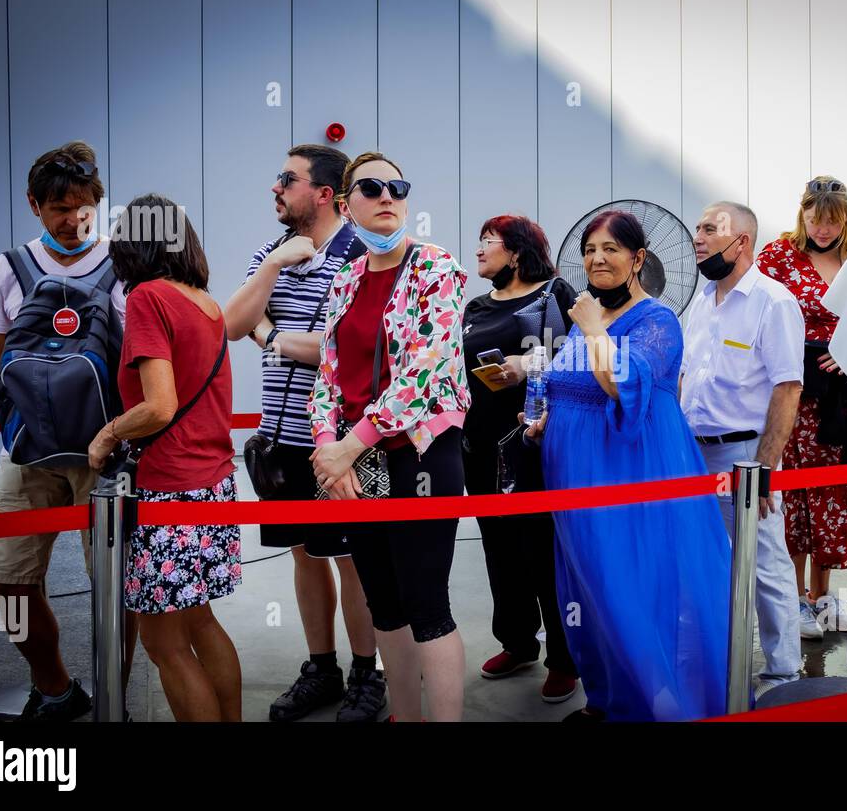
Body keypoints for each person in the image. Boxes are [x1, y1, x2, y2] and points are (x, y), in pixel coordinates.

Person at [525, 209, 731, 722]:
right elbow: (574, 384)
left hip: (628, 472)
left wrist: (592, 327)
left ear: (638, 259)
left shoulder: (655, 320)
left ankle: (649, 706)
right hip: (572, 474)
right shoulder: (588, 318)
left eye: (611, 249)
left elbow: (620, 384)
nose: (597, 259)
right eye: (590, 250)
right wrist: (548, 414)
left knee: (628, 587)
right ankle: (606, 699)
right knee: (587, 587)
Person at [223, 144, 384, 722]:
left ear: (322, 192)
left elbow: (350, 353)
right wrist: (272, 269)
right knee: (304, 553)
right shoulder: (272, 251)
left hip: (338, 441)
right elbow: (232, 321)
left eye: (286, 179)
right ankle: (323, 666)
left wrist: (275, 339)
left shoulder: (360, 255)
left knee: (352, 558)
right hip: (278, 438)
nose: (275, 188)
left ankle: (370, 673)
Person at [309, 152, 470, 722]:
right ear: (345, 201)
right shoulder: (348, 278)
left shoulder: (436, 267)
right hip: (354, 462)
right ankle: (404, 713)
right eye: (371, 187)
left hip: (419, 455)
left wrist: (349, 443)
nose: (387, 196)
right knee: (384, 607)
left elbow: (426, 372)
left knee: (427, 606)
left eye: (397, 186)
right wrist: (331, 451)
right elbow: (328, 373)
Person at [0, 141, 136, 721]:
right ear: (33, 206)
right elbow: (5, 364)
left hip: (109, 450)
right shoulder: (9, 267)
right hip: (27, 448)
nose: (72, 221)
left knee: (118, 584)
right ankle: (55, 687)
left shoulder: (125, 264)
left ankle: (111, 700)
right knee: (6, 577)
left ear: (98, 202)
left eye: (83, 206)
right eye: (57, 209)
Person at [87, 193, 242, 722]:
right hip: (213, 484)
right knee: (201, 623)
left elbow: (159, 406)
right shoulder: (205, 301)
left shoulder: (148, 298)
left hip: (167, 489)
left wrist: (107, 434)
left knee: (164, 644)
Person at [682, 201, 804, 692]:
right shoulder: (701, 301)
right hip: (694, 451)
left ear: (742, 241)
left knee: (765, 560)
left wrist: (764, 465)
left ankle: (783, 669)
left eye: (710, 229)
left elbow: (788, 387)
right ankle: (713, 655)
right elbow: (687, 376)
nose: (699, 238)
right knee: (705, 554)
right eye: (697, 229)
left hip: (744, 455)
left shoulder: (773, 302)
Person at [463, 214, 580, 702]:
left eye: (487, 242)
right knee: (499, 549)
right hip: (480, 447)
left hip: (534, 441)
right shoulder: (473, 305)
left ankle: (564, 657)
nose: (478, 251)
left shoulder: (556, 293)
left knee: (543, 551)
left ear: (515, 251)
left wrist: (527, 364)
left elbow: (585, 355)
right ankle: (517, 641)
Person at [756, 176, 847, 639]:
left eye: (833, 221)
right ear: (801, 215)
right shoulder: (777, 256)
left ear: (846, 220)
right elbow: (756, 312)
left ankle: (824, 595)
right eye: (815, 219)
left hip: (842, 398)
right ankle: (796, 598)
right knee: (796, 496)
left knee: (835, 496)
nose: (823, 230)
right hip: (794, 393)